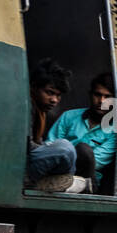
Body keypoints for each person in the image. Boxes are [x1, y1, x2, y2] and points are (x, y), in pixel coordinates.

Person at [25, 59, 89, 193]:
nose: (54, 100)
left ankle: (60, 182)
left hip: (32, 162)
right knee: (65, 148)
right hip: (23, 167)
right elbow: (26, 148)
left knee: (70, 150)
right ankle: (31, 182)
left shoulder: (40, 110)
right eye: (49, 92)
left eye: (58, 95)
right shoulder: (27, 106)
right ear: (33, 87)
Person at [47, 72, 117, 191]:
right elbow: (50, 145)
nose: (101, 101)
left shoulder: (116, 131)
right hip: (57, 171)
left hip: (87, 180)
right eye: (97, 95)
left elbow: (97, 161)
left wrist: (64, 152)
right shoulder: (68, 116)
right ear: (90, 95)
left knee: (84, 150)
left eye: (107, 97)